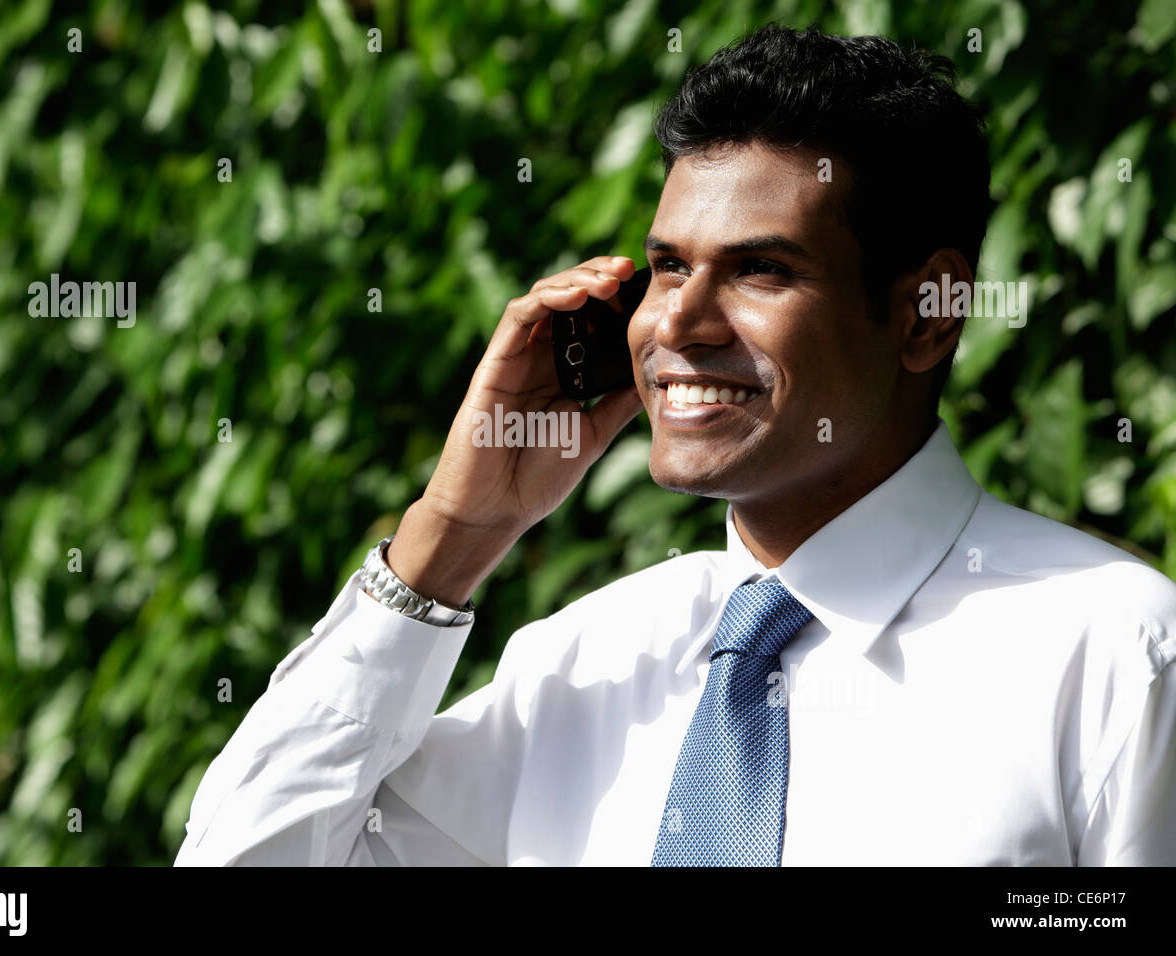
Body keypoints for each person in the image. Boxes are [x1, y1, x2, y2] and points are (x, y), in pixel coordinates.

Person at [175, 24, 1176, 866]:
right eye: (664, 266)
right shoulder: (580, 666)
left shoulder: (1115, 655)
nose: (677, 322)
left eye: (760, 271)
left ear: (926, 315)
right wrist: (452, 533)